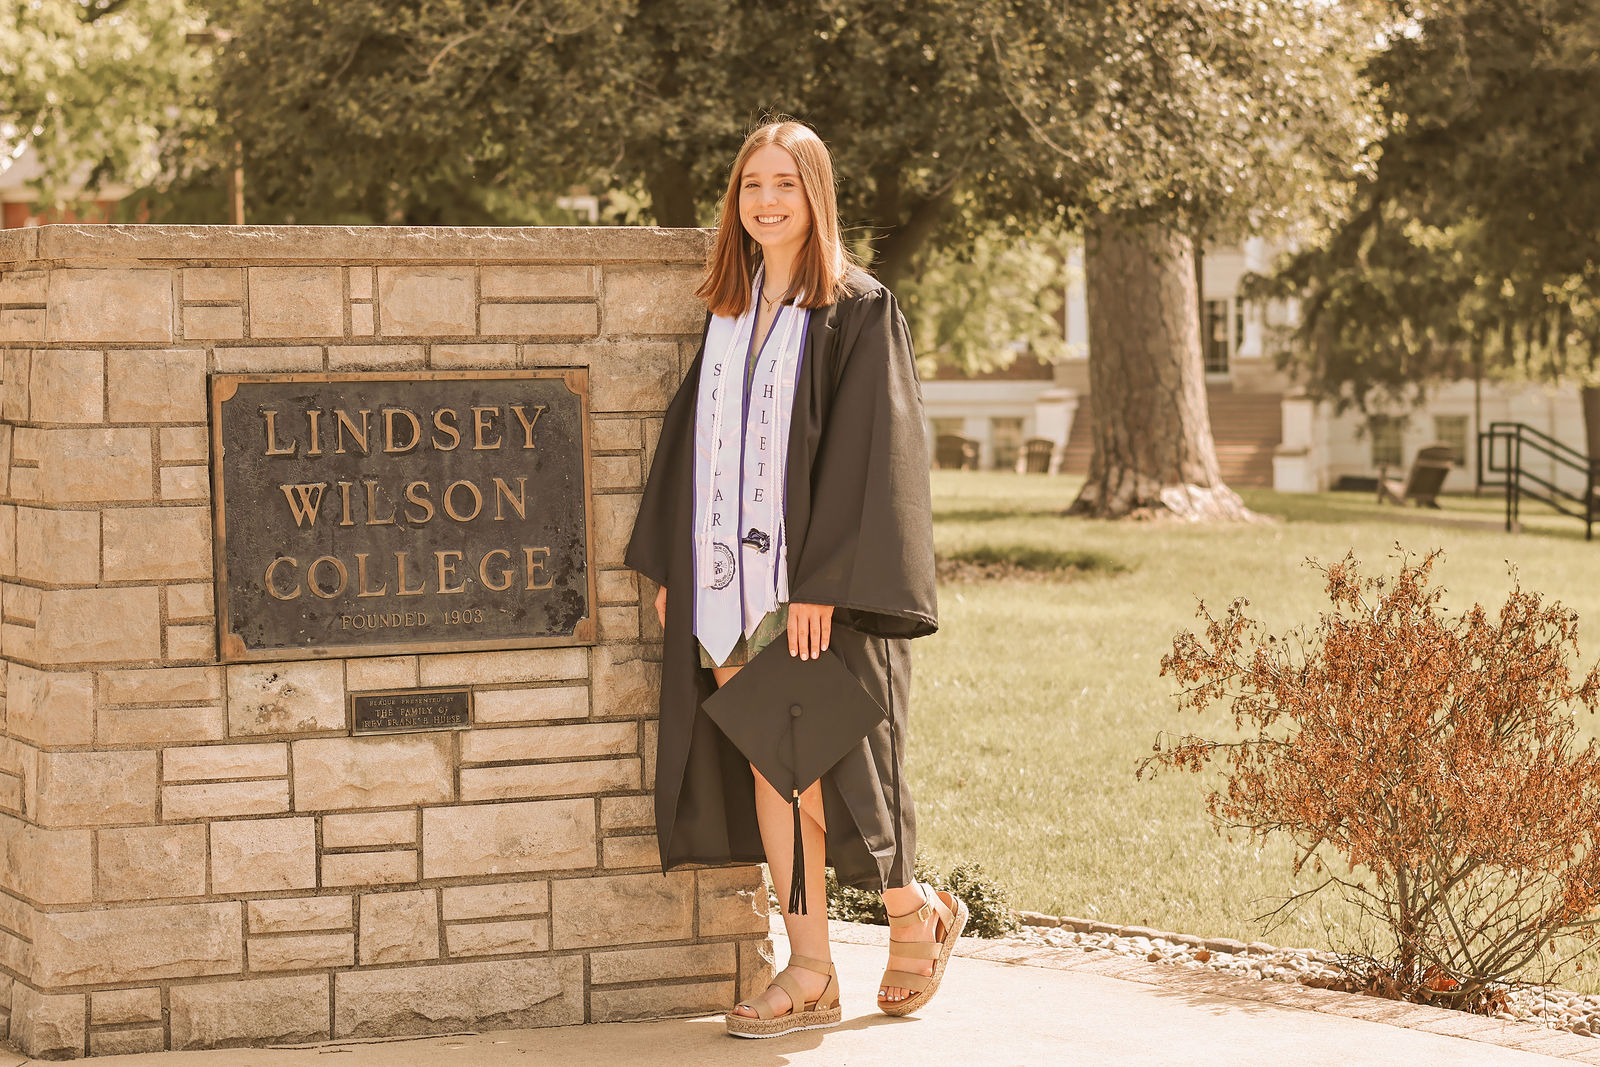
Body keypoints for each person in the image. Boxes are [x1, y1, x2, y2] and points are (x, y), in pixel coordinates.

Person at [625, 119, 965, 1039]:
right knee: (775, 774)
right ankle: (808, 963)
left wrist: (822, 582)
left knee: (827, 772)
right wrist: (673, 558)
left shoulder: (855, 308)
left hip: (812, 593)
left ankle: (911, 911)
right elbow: (694, 439)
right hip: (728, 587)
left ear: (817, 195)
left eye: (785, 183)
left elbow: (871, 454)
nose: (767, 201)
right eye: (751, 186)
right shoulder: (730, 311)